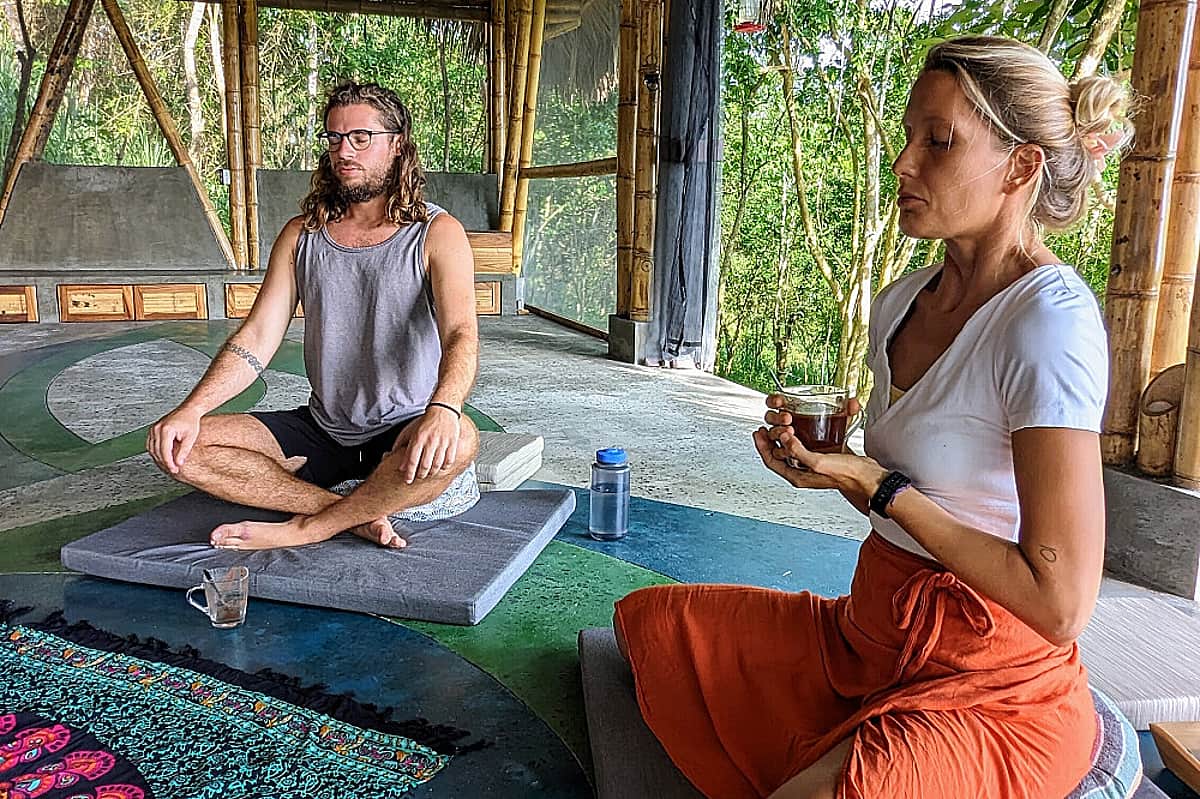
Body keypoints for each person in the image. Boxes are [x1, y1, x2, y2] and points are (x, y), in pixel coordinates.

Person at [612, 36, 1131, 799]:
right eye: (908, 137)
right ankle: (860, 718)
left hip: (993, 678)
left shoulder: (1047, 322)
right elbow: (917, 489)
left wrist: (878, 483)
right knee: (650, 626)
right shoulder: (900, 304)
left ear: (1021, 166)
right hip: (871, 633)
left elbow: (1061, 603)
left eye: (939, 142)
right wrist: (834, 470)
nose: (903, 164)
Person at [147, 81, 480, 552]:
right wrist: (191, 409)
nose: (345, 150)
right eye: (335, 138)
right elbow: (257, 338)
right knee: (178, 446)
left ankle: (309, 525)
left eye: (361, 137)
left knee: (462, 439)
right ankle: (346, 512)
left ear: (397, 143)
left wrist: (444, 410)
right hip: (324, 428)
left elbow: (461, 334)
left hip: (404, 426)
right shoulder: (302, 234)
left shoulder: (436, 232)